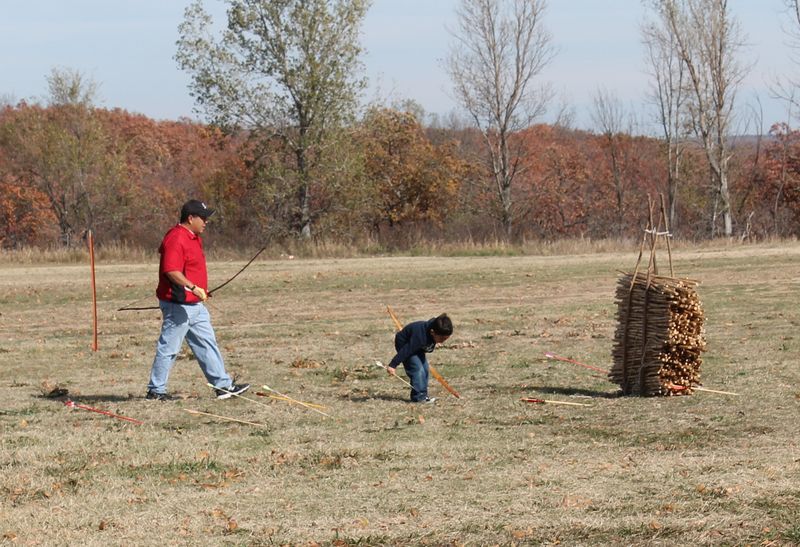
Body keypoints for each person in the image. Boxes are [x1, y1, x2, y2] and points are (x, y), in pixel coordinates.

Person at [145, 199, 250, 401]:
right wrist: (193, 287)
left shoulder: (193, 237)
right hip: (178, 305)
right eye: (203, 218)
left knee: (207, 344)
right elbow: (171, 271)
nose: (206, 222)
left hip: (194, 304)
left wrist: (200, 291)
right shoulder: (176, 238)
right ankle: (155, 391)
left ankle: (223, 387)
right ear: (191, 218)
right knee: (169, 348)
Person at [386, 314, 453, 403]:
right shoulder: (420, 337)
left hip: (417, 348)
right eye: (442, 339)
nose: (443, 341)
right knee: (418, 369)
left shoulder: (434, 328)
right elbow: (407, 350)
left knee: (425, 369)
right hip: (405, 345)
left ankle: (423, 395)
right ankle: (419, 398)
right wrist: (393, 365)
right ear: (432, 332)